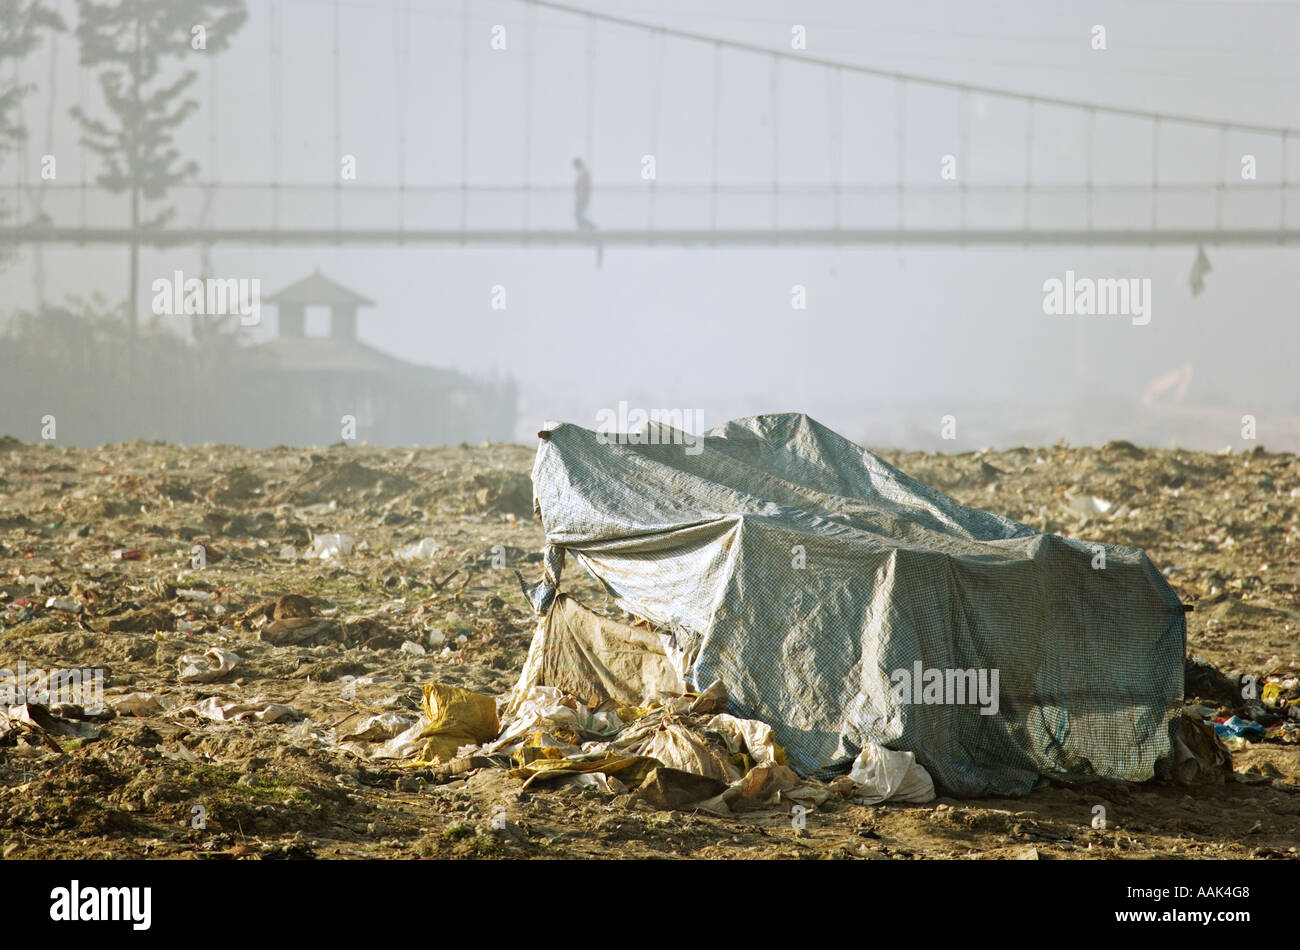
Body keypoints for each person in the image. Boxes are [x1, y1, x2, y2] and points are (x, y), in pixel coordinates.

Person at [572, 158, 602, 267]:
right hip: (582, 198)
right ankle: (588, 231)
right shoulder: (583, 173)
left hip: (582, 198)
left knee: (578, 216)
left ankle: (591, 230)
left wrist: (580, 196)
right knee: (578, 216)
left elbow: (583, 187)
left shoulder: (584, 173)